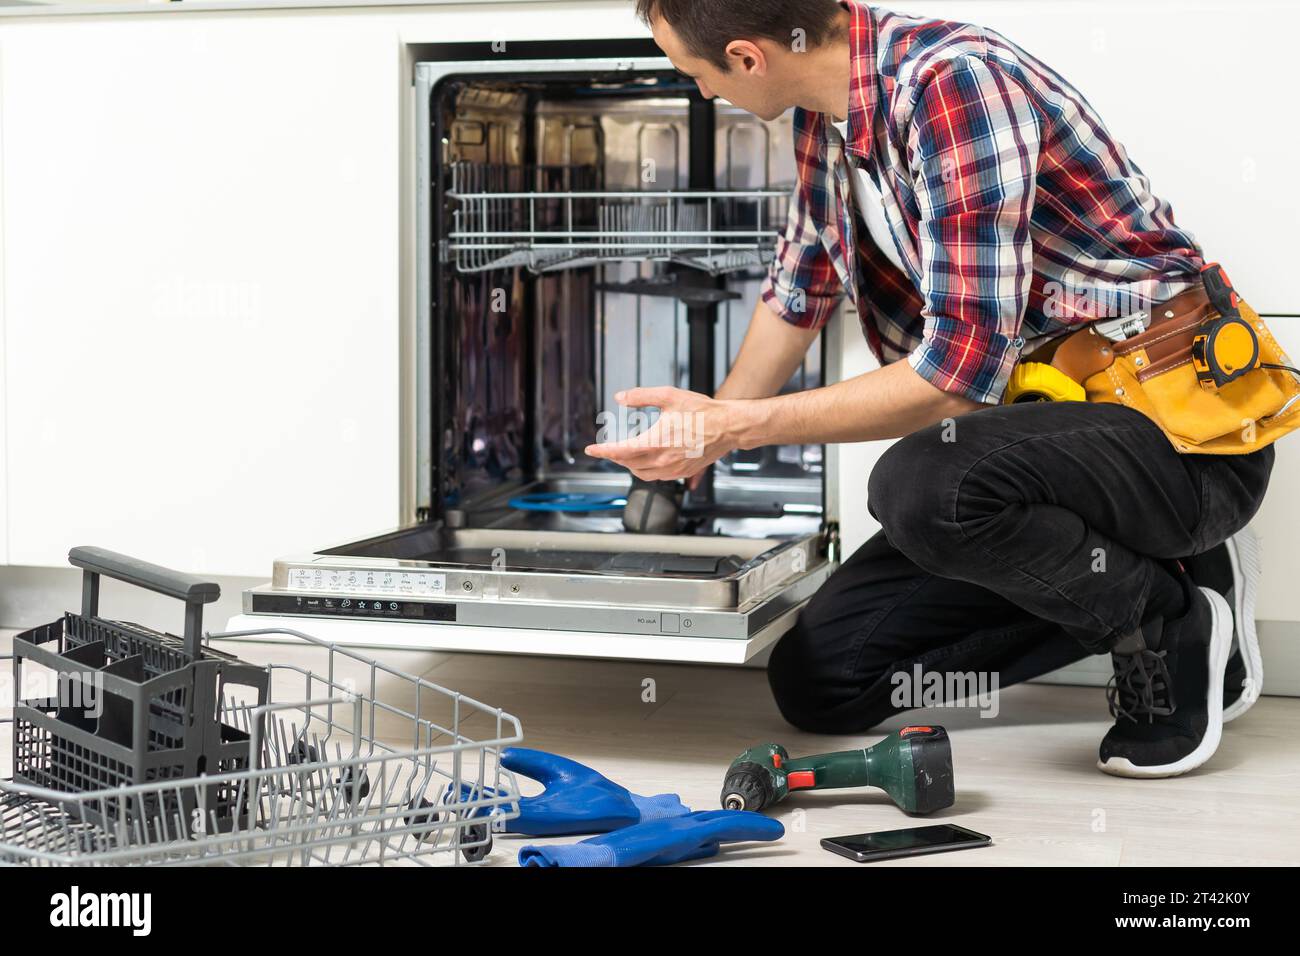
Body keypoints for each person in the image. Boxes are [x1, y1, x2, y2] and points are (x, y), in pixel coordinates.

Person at [587, 0, 1272, 777]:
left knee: (922, 483)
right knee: (822, 682)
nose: (704, 93)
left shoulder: (955, 85)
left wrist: (741, 428)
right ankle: (1162, 575)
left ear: (747, 57)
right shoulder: (822, 119)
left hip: (1177, 437)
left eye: (696, 74)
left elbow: (957, 378)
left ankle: (1164, 618)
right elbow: (797, 293)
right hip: (1047, 437)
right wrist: (699, 436)